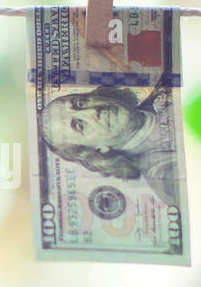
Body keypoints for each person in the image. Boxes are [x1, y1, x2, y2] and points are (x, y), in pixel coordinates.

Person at [38, 83, 181, 206]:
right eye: (80, 125)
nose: (93, 111)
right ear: (97, 150)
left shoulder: (163, 87)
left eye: (80, 104)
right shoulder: (163, 173)